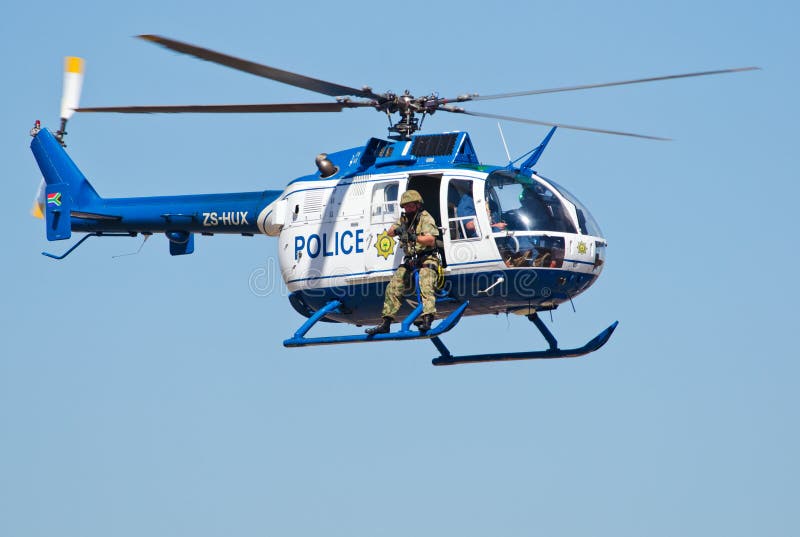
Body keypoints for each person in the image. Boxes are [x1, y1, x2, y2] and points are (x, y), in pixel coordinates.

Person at [365, 190, 440, 335]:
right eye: (405, 206)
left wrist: (414, 237)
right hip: (411, 261)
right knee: (393, 286)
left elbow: (430, 240)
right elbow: (390, 232)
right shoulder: (404, 219)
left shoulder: (425, 218)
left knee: (425, 282)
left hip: (427, 258)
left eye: (411, 206)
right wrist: (399, 229)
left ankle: (427, 319)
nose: (408, 209)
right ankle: (386, 322)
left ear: (418, 205)